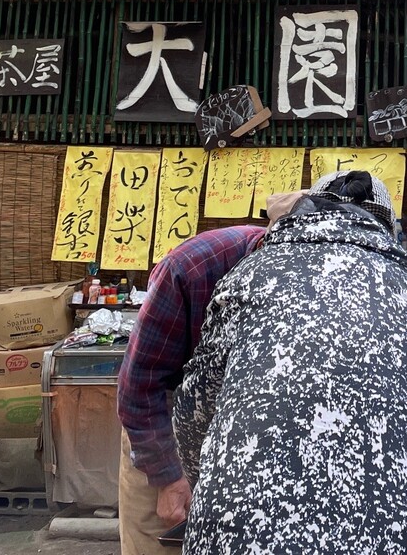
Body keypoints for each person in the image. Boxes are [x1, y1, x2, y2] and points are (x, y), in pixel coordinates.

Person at [173, 170, 407, 555]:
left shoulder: (250, 275)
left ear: (306, 210)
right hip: (392, 538)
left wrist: (207, 478)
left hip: (238, 535)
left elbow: (193, 408)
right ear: (388, 228)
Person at [116, 195, 302, 555]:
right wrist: (168, 478)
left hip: (239, 434)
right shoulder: (191, 268)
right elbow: (138, 387)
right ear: (267, 241)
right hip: (160, 428)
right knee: (160, 542)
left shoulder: (309, 276)